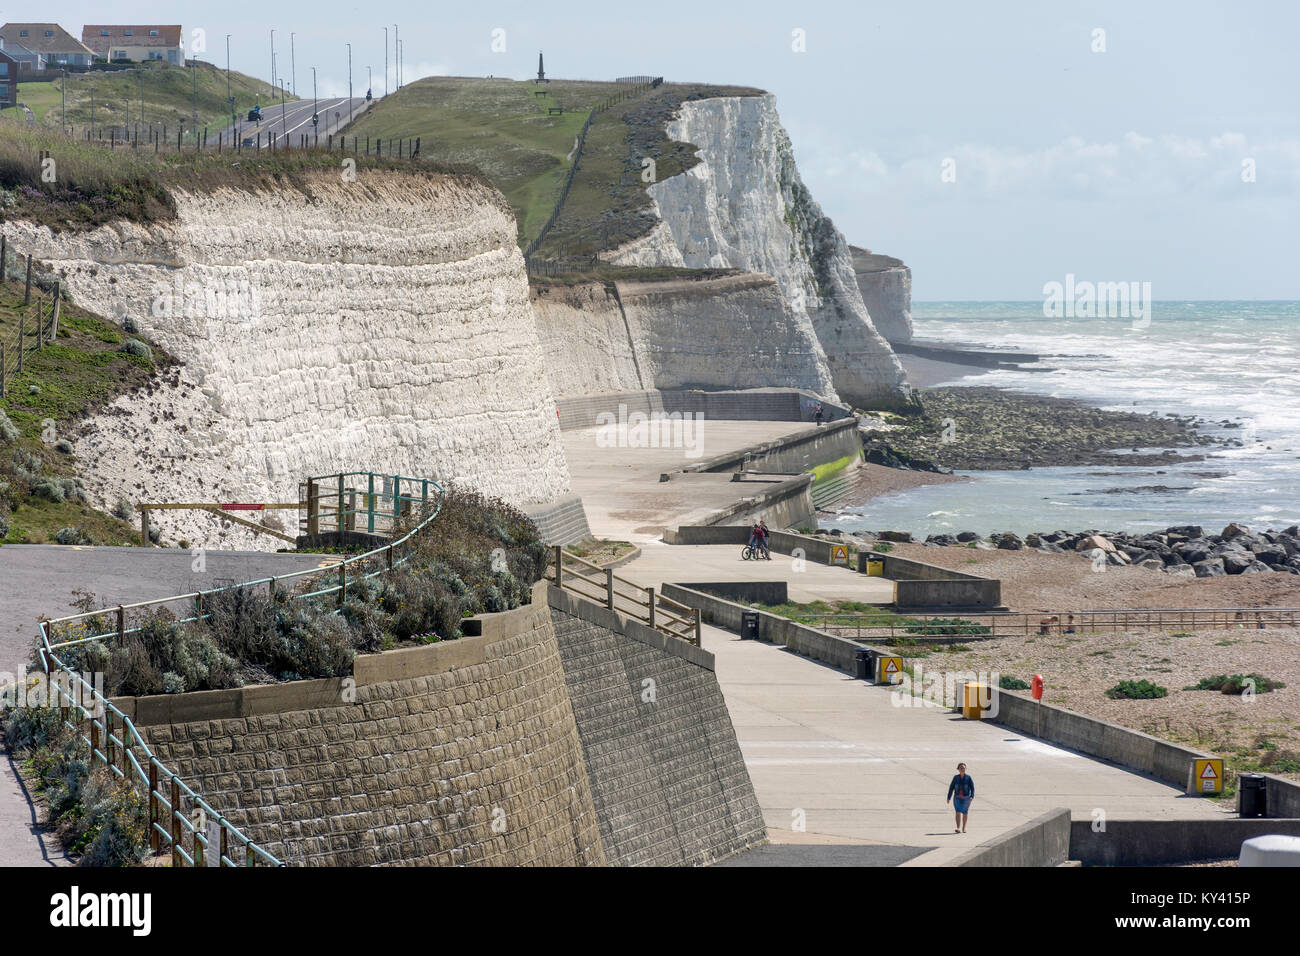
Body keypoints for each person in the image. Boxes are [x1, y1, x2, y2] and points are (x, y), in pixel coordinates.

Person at [946, 762, 974, 833]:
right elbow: (951, 788)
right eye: (961, 768)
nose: (962, 769)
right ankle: (958, 828)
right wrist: (949, 797)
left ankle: (963, 828)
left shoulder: (968, 777)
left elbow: (972, 788)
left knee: (965, 812)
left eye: (964, 768)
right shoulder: (956, 778)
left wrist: (972, 796)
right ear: (958, 769)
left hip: (966, 798)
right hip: (957, 798)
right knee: (957, 812)